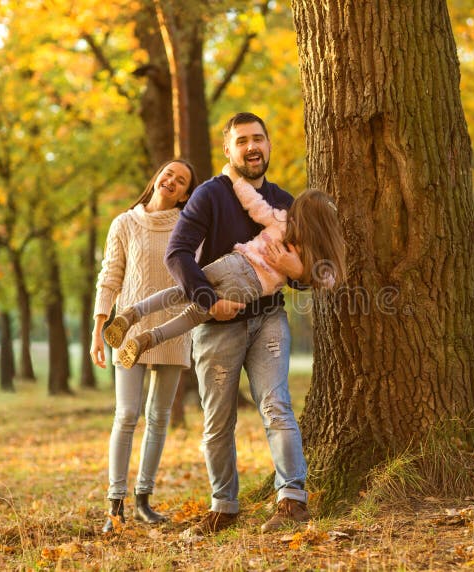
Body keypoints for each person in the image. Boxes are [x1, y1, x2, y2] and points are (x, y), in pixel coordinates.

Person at [165, 112, 332, 535]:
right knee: (217, 420)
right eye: (242, 141)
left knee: (277, 406)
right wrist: (209, 300)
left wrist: (298, 270)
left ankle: (292, 500)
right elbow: (178, 254)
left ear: (269, 144)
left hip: (268, 321)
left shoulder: (285, 202)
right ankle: (224, 507)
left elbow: (313, 273)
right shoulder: (209, 196)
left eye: (258, 138)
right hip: (216, 324)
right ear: (229, 150)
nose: (252, 147)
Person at [103, 167, 345, 371]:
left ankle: (132, 313)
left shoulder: (280, 219)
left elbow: (252, 202)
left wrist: (232, 176)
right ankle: (148, 339)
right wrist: (300, 271)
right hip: (248, 287)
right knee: (193, 316)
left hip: (233, 262)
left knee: (184, 291)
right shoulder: (314, 253)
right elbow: (328, 280)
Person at [90, 159, 198, 533]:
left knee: (159, 417)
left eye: (180, 180)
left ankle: (143, 499)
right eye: (168, 173)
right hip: (128, 330)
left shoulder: (189, 227)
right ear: (156, 178)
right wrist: (98, 328)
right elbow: (110, 276)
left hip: (172, 330)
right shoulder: (125, 223)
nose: (171, 181)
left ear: (185, 194)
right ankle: (114, 502)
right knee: (126, 414)